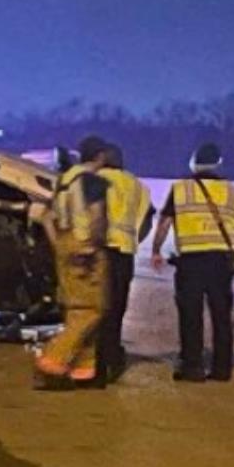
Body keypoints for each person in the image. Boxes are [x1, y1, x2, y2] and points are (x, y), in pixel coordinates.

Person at [150, 142, 234, 382]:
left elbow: (164, 222)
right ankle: (222, 368)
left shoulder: (181, 188)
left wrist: (155, 250)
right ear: (219, 163)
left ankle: (192, 367)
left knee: (190, 314)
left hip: (191, 261)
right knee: (221, 315)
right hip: (220, 261)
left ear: (194, 163)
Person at [36, 137, 112, 389]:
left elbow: (47, 217)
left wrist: (59, 246)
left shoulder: (64, 182)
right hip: (86, 248)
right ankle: (52, 360)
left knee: (76, 310)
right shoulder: (92, 182)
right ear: (100, 156)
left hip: (66, 246)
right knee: (92, 309)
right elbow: (97, 217)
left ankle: (82, 369)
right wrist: (93, 244)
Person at [98, 144, 154, 383]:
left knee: (98, 308)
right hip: (125, 253)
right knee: (117, 308)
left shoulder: (96, 179)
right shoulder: (137, 185)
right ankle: (113, 358)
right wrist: (133, 240)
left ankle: (97, 364)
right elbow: (147, 221)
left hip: (101, 250)